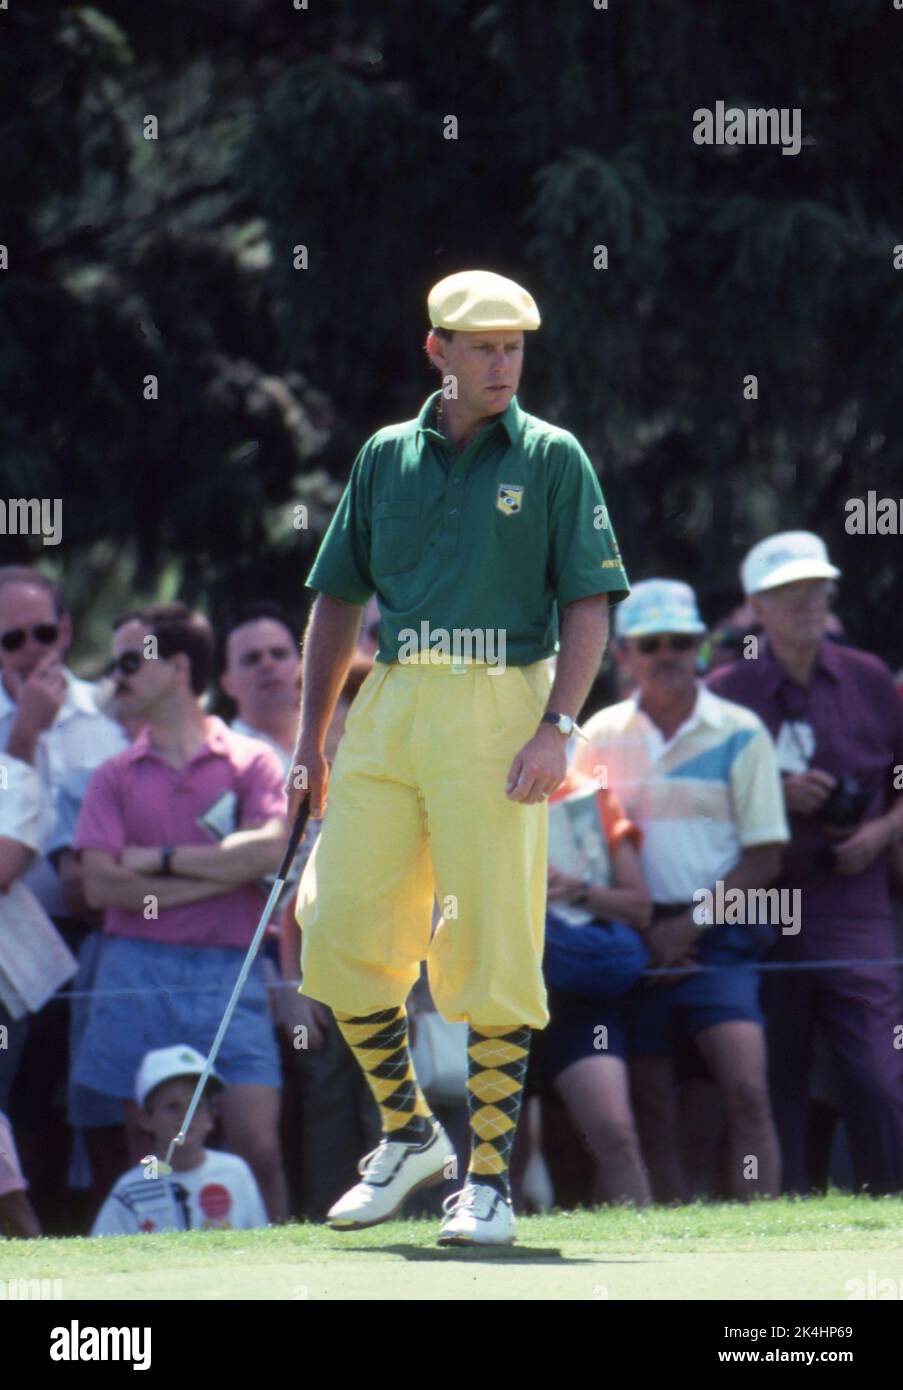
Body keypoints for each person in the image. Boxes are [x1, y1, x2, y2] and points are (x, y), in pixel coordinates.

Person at [287, 269, 630, 1245]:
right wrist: (309, 742)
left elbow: (590, 604)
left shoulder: (556, 456)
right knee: (340, 925)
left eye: (515, 346)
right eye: (481, 347)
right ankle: (407, 1134)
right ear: (435, 350)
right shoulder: (384, 455)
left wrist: (559, 726)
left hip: (504, 700)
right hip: (392, 700)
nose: (502, 364)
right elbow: (337, 602)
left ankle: (488, 1184)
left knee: (487, 945)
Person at [72, 602, 291, 1221]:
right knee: (143, 1161)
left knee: (258, 1148)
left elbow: (271, 850)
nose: (115, 677)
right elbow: (102, 887)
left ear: (175, 667)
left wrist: (157, 859)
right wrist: (224, 872)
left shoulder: (251, 761)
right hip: (135, 971)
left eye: (126, 661)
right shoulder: (112, 775)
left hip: (232, 972)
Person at [574, 580, 788, 1200]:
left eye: (680, 641)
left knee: (747, 1089)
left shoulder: (741, 731)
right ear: (625, 656)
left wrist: (685, 930)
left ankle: (761, 1236)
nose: (665, 654)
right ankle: (669, 1252)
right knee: (653, 1109)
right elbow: (586, 851)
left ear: (699, 647)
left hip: (717, 936)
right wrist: (648, 934)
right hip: (632, 938)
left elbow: (764, 857)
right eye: (650, 643)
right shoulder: (598, 736)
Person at [708, 530, 903, 1194]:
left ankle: (890, 1206)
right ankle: (782, 1214)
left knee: (880, 1073)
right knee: (775, 1077)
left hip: (856, 904)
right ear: (754, 607)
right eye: (789, 593)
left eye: (816, 589)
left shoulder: (869, 678)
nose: (807, 603)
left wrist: (880, 831)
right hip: (762, 906)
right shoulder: (725, 693)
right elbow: (698, 806)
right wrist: (772, 793)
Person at [0, 566, 126, 1230]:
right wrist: (23, 730)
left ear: (67, 631)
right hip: (14, 942)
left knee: (85, 1104)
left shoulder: (106, 718)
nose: (29, 651)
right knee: (15, 1100)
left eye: (42, 633)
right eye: (10, 638)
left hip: (93, 937)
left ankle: (85, 1240)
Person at [532, 765, 653, 1205]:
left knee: (615, 1134)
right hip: (492, 992)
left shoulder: (588, 794)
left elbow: (639, 907)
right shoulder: (455, 784)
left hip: (578, 996)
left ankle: (643, 1258)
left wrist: (573, 888)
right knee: (499, 1156)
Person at [91, 1046, 267, 1235]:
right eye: (172, 1107)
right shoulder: (130, 1190)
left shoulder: (235, 1173)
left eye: (196, 1106)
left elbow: (259, 1244)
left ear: (211, 1117)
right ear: (146, 1119)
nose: (185, 1116)